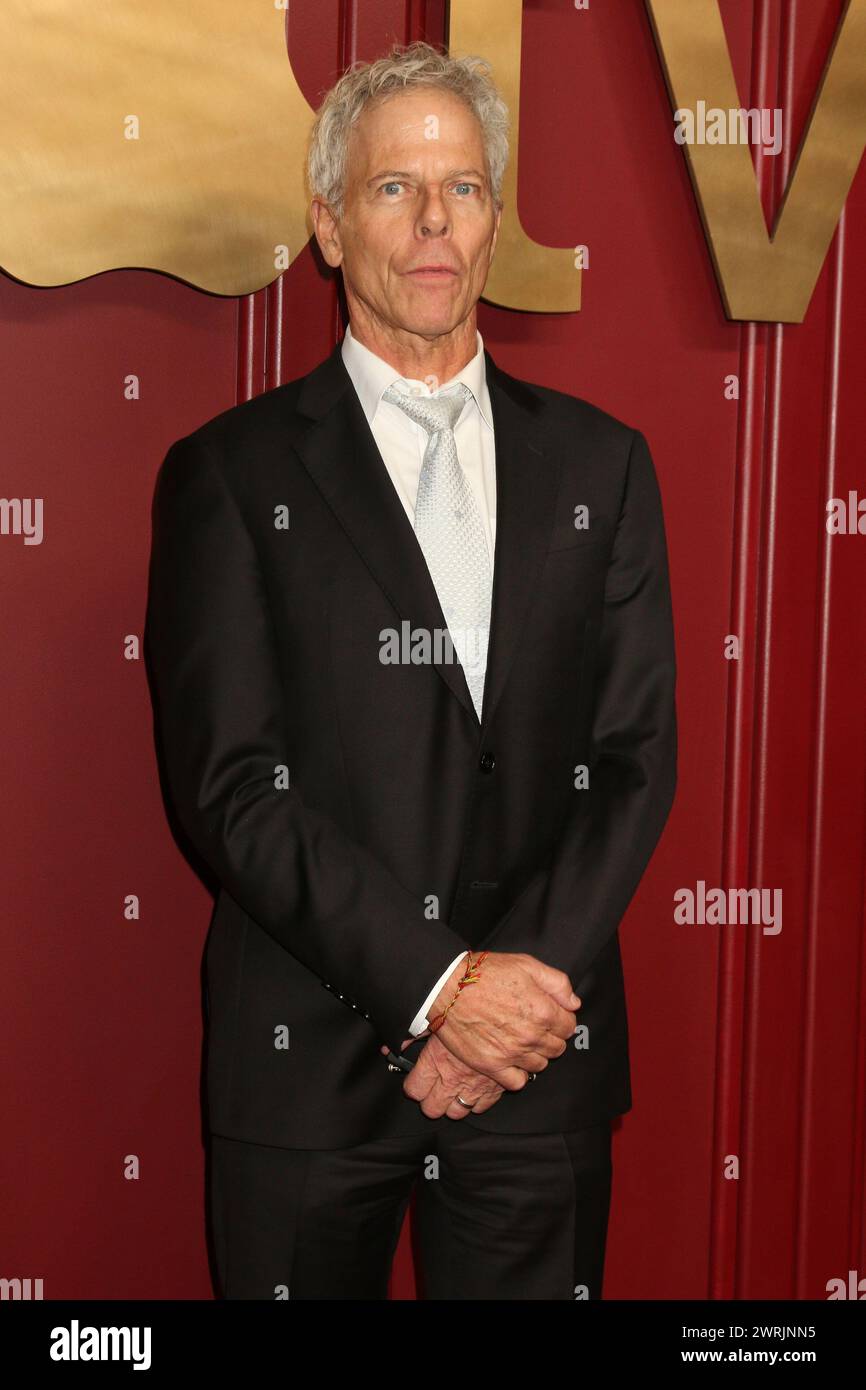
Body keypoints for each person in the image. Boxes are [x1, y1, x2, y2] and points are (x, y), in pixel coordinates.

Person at [145, 39, 677, 1301]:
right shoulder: (230, 477)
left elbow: (632, 761)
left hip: (536, 1071)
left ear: (497, 217)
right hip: (308, 1075)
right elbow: (230, 790)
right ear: (328, 224)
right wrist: (440, 991)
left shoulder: (600, 468)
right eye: (394, 189)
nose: (434, 222)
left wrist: (502, 1021)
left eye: (466, 187)